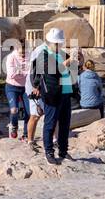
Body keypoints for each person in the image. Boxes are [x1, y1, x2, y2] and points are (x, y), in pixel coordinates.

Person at [28, 26, 76, 165]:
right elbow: (54, 70)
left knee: (65, 124)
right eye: (56, 43)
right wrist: (69, 61)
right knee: (50, 124)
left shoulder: (62, 54)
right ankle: (49, 152)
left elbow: (73, 69)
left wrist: (77, 59)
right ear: (49, 42)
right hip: (52, 95)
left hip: (65, 93)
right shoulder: (43, 55)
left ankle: (63, 151)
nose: (58, 45)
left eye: (60, 43)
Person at [4, 40, 29, 140]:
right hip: (12, 87)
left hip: (25, 87)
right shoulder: (11, 57)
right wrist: (24, 71)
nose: (23, 54)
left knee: (29, 112)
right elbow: (11, 75)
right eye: (20, 52)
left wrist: (19, 71)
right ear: (15, 49)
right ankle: (14, 126)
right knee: (14, 110)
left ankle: (26, 134)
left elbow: (31, 71)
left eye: (24, 52)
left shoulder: (29, 56)